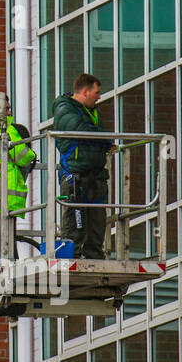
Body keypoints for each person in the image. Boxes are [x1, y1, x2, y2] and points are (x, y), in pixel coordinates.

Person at [51, 73, 114, 259]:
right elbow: (81, 130)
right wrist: (105, 141)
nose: (99, 96)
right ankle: (72, 256)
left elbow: (92, 134)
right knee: (74, 223)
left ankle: (94, 256)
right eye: (97, 92)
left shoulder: (91, 111)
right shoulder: (64, 107)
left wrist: (104, 142)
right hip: (74, 174)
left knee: (97, 224)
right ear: (85, 91)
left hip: (95, 175)